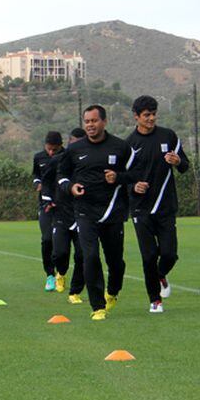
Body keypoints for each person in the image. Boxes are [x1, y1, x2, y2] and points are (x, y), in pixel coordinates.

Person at [57, 105, 136, 321]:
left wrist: (118, 177)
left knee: (115, 262)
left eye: (94, 121)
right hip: (85, 212)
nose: (90, 125)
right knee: (89, 257)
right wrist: (71, 187)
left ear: (104, 122)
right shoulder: (74, 150)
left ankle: (112, 291)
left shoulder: (120, 147)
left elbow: (137, 173)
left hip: (113, 212)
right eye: (87, 121)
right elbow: (62, 176)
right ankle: (97, 306)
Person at [124, 95, 190, 313]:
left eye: (153, 114)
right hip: (140, 208)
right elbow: (121, 178)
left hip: (166, 206)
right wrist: (133, 186)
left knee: (170, 254)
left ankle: (160, 274)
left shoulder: (168, 136)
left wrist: (178, 161)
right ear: (136, 117)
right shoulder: (129, 145)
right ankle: (155, 300)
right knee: (149, 255)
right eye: (146, 115)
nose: (151, 118)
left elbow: (184, 165)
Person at [51, 128, 87, 304]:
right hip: (61, 214)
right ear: (69, 142)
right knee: (60, 253)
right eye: (74, 142)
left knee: (82, 255)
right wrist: (47, 201)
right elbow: (46, 181)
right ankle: (61, 273)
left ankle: (75, 292)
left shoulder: (89, 162)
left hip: (82, 214)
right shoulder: (58, 161)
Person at [32, 132, 60, 291]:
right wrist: (37, 182)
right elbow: (36, 174)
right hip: (45, 206)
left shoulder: (66, 156)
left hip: (63, 207)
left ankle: (61, 273)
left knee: (60, 244)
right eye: (49, 149)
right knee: (47, 239)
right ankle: (50, 275)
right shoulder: (38, 157)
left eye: (54, 150)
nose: (51, 153)